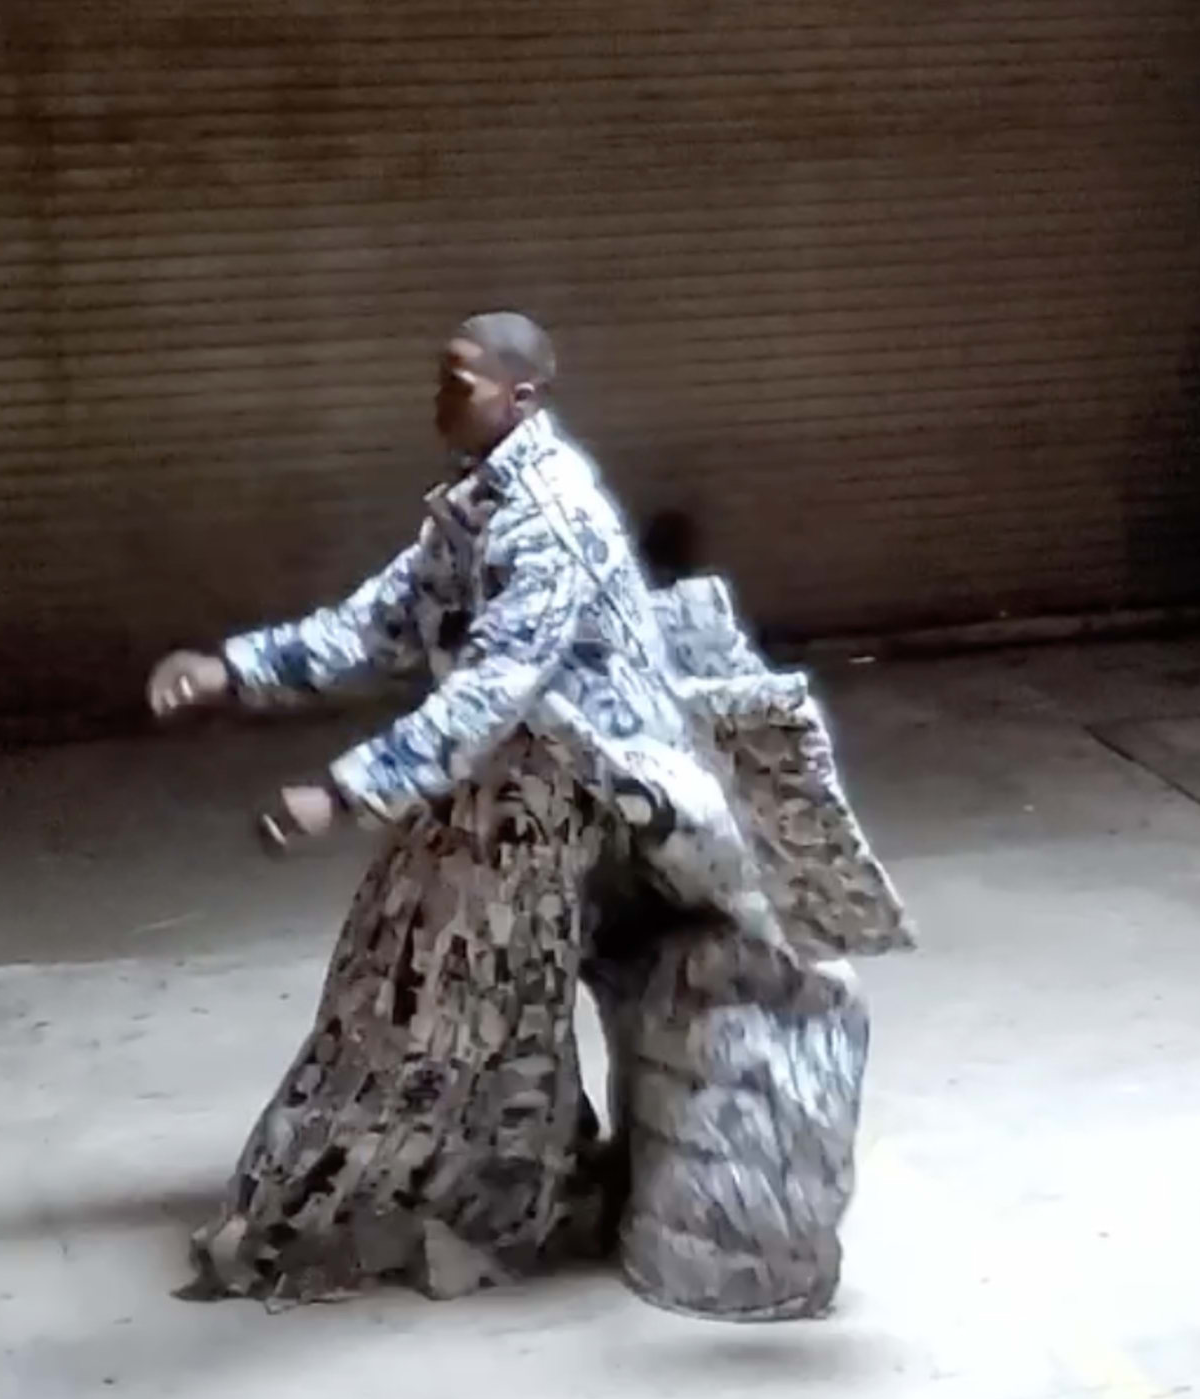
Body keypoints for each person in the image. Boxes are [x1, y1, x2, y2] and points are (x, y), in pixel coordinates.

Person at [147, 314, 908, 1318]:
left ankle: (484, 1196)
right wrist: (234, 666)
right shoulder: (477, 505)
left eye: (458, 380)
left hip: (586, 800)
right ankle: (438, 1187)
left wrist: (340, 790)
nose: (438, 397)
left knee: (456, 1002)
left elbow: (491, 689)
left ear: (523, 396)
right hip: (512, 788)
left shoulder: (551, 519)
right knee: (406, 985)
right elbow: (380, 621)